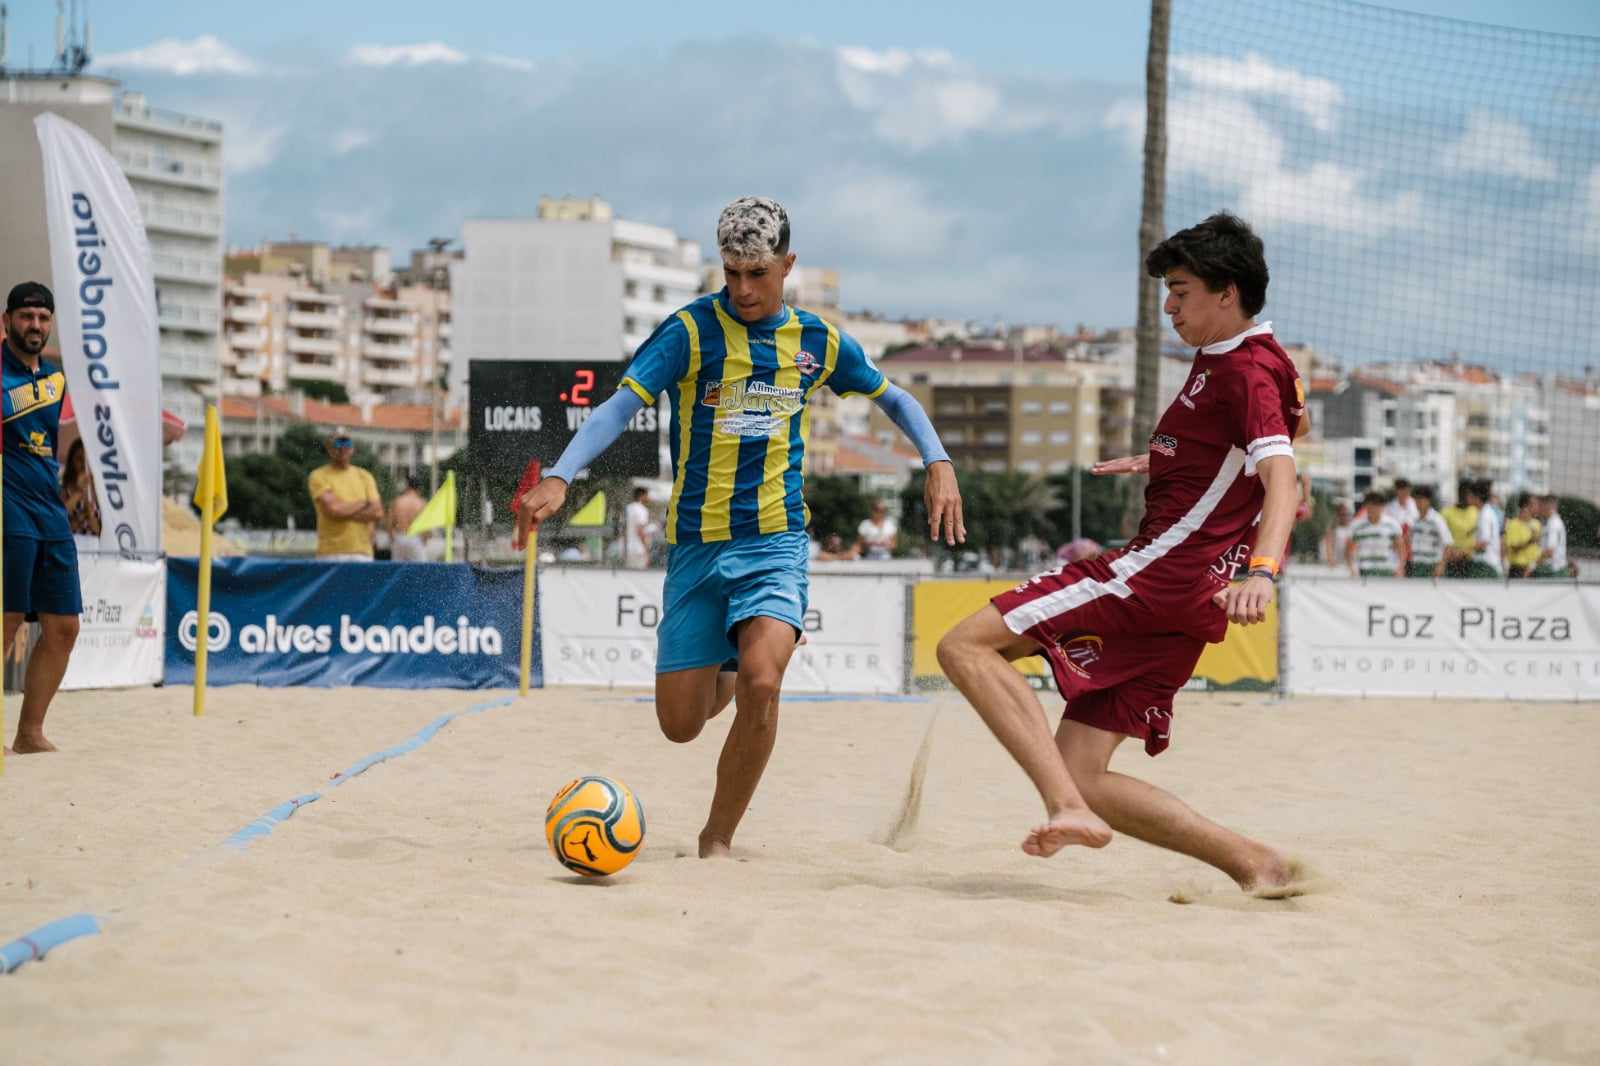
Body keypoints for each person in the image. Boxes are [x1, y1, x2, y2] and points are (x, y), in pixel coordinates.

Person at [516, 197, 963, 858]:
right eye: (732, 274)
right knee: (680, 725)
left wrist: (938, 460)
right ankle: (738, 646)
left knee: (763, 681)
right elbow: (617, 408)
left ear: (788, 265)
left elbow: (893, 396)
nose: (745, 290)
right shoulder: (689, 333)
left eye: (758, 273)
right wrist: (561, 473)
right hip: (696, 547)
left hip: (776, 542)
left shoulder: (819, 341)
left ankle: (716, 840)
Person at [934, 212, 1304, 892]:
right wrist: (1168, 460)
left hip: (1155, 575)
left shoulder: (1246, 372)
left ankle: (1064, 809)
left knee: (963, 647)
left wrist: (1263, 571)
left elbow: (1282, 475)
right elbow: (1244, 456)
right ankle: (1258, 865)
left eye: (1181, 290)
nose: (1168, 306)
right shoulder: (1257, 362)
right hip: (1185, 594)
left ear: (1227, 292)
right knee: (1084, 766)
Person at [2, 282, 80, 754]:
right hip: (7, 506)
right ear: (7, 320)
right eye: (27, 316)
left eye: (43, 318)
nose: (35, 325)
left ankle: (29, 733)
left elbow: (51, 449)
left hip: (48, 510)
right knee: (6, 620)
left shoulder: (55, 380)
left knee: (64, 626)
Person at [307, 427, 382, 560]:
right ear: (329, 449)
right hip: (331, 552)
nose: (343, 448)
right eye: (338, 444)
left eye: (347, 444)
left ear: (352, 448)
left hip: (362, 552)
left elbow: (377, 512)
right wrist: (364, 503)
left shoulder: (365, 476)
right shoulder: (318, 476)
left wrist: (344, 511)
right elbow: (334, 509)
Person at [1346, 491, 1405, 578]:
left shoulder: (1392, 525)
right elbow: (1349, 550)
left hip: (1387, 571)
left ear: (1383, 506)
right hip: (1364, 571)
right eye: (1371, 504)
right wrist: (1352, 569)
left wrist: (1400, 568)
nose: (1374, 508)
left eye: (1377, 505)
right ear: (1366, 506)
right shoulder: (1356, 525)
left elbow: (1400, 548)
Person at [58, 438, 102, 537]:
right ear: (72, 461)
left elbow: (99, 530)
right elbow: (58, 519)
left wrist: (89, 514)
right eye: (79, 459)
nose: (83, 464)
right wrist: (80, 491)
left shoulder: (100, 491)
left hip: (94, 546)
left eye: (87, 460)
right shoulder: (64, 489)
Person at [1406, 485, 1451, 578]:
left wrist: (1441, 565)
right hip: (1417, 565)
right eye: (1416, 500)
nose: (1418, 503)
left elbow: (1448, 544)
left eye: (1421, 500)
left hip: (1432, 565)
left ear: (1428, 501)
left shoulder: (1437, 519)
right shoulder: (1414, 520)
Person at [1438, 481, 1479, 578]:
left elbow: (1481, 539)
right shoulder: (1446, 513)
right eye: (1463, 493)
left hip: (1470, 562)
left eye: (1469, 493)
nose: (1465, 496)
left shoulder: (1477, 513)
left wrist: (1464, 552)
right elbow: (1440, 538)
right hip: (1451, 562)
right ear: (1459, 493)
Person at [1465, 480, 1503, 579]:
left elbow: (1484, 543)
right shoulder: (1484, 512)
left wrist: (1463, 551)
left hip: (1486, 566)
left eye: (1469, 495)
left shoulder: (1485, 515)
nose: (1467, 498)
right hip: (1486, 564)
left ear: (1477, 498)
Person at [387, 474, 429, 561]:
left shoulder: (397, 501)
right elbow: (425, 527)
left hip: (400, 537)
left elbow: (389, 523)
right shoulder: (421, 503)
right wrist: (424, 540)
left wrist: (392, 539)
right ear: (418, 488)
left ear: (407, 486)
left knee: (397, 570)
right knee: (419, 570)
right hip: (415, 538)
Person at [1503, 493, 1542, 578]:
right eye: (1535, 504)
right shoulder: (1513, 524)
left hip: (1534, 569)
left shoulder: (1537, 524)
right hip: (1518, 570)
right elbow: (1512, 547)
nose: (1537, 507)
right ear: (1525, 506)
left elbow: (1539, 547)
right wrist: (1529, 541)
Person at [1534, 494, 1569, 578]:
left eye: (1540, 505)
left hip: (1553, 571)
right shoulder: (1549, 522)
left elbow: (1550, 551)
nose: (1538, 508)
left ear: (1547, 506)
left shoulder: (1553, 524)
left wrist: (1532, 564)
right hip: (1554, 568)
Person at [623, 486, 657, 570]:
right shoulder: (641, 510)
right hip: (639, 549)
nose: (648, 498)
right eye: (647, 495)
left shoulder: (629, 508)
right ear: (642, 495)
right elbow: (640, 530)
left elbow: (625, 530)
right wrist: (646, 550)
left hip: (629, 548)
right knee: (640, 576)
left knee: (629, 576)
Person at [1323, 501, 1353, 568]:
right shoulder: (1333, 531)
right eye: (1343, 514)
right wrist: (1331, 561)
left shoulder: (1353, 530)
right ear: (1338, 515)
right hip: (1337, 566)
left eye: (1347, 514)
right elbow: (1328, 547)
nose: (1345, 517)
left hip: (1349, 565)